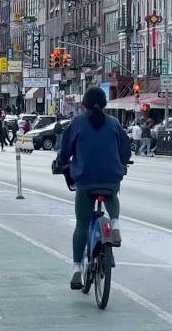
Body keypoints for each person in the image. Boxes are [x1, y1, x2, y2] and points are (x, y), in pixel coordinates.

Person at [56, 86, 130, 290]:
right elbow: (125, 151)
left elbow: (65, 152)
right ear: (105, 103)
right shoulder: (114, 123)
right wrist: (122, 162)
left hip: (85, 181)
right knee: (112, 195)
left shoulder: (77, 122)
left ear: (84, 104)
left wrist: (61, 162)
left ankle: (76, 268)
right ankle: (115, 224)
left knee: (81, 225)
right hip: (111, 178)